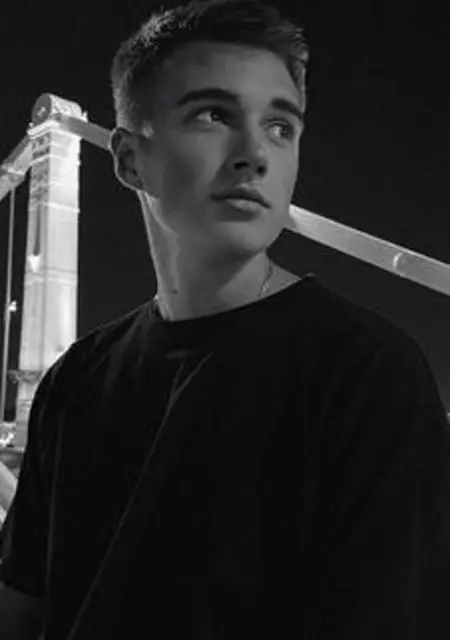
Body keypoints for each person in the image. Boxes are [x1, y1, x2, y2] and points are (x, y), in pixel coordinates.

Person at [1, 0, 449, 638]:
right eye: (213, 115)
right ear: (128, 159)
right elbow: (23, 608)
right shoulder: (74, 380)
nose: (255, 155)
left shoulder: (371, 375)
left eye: (280, 127)